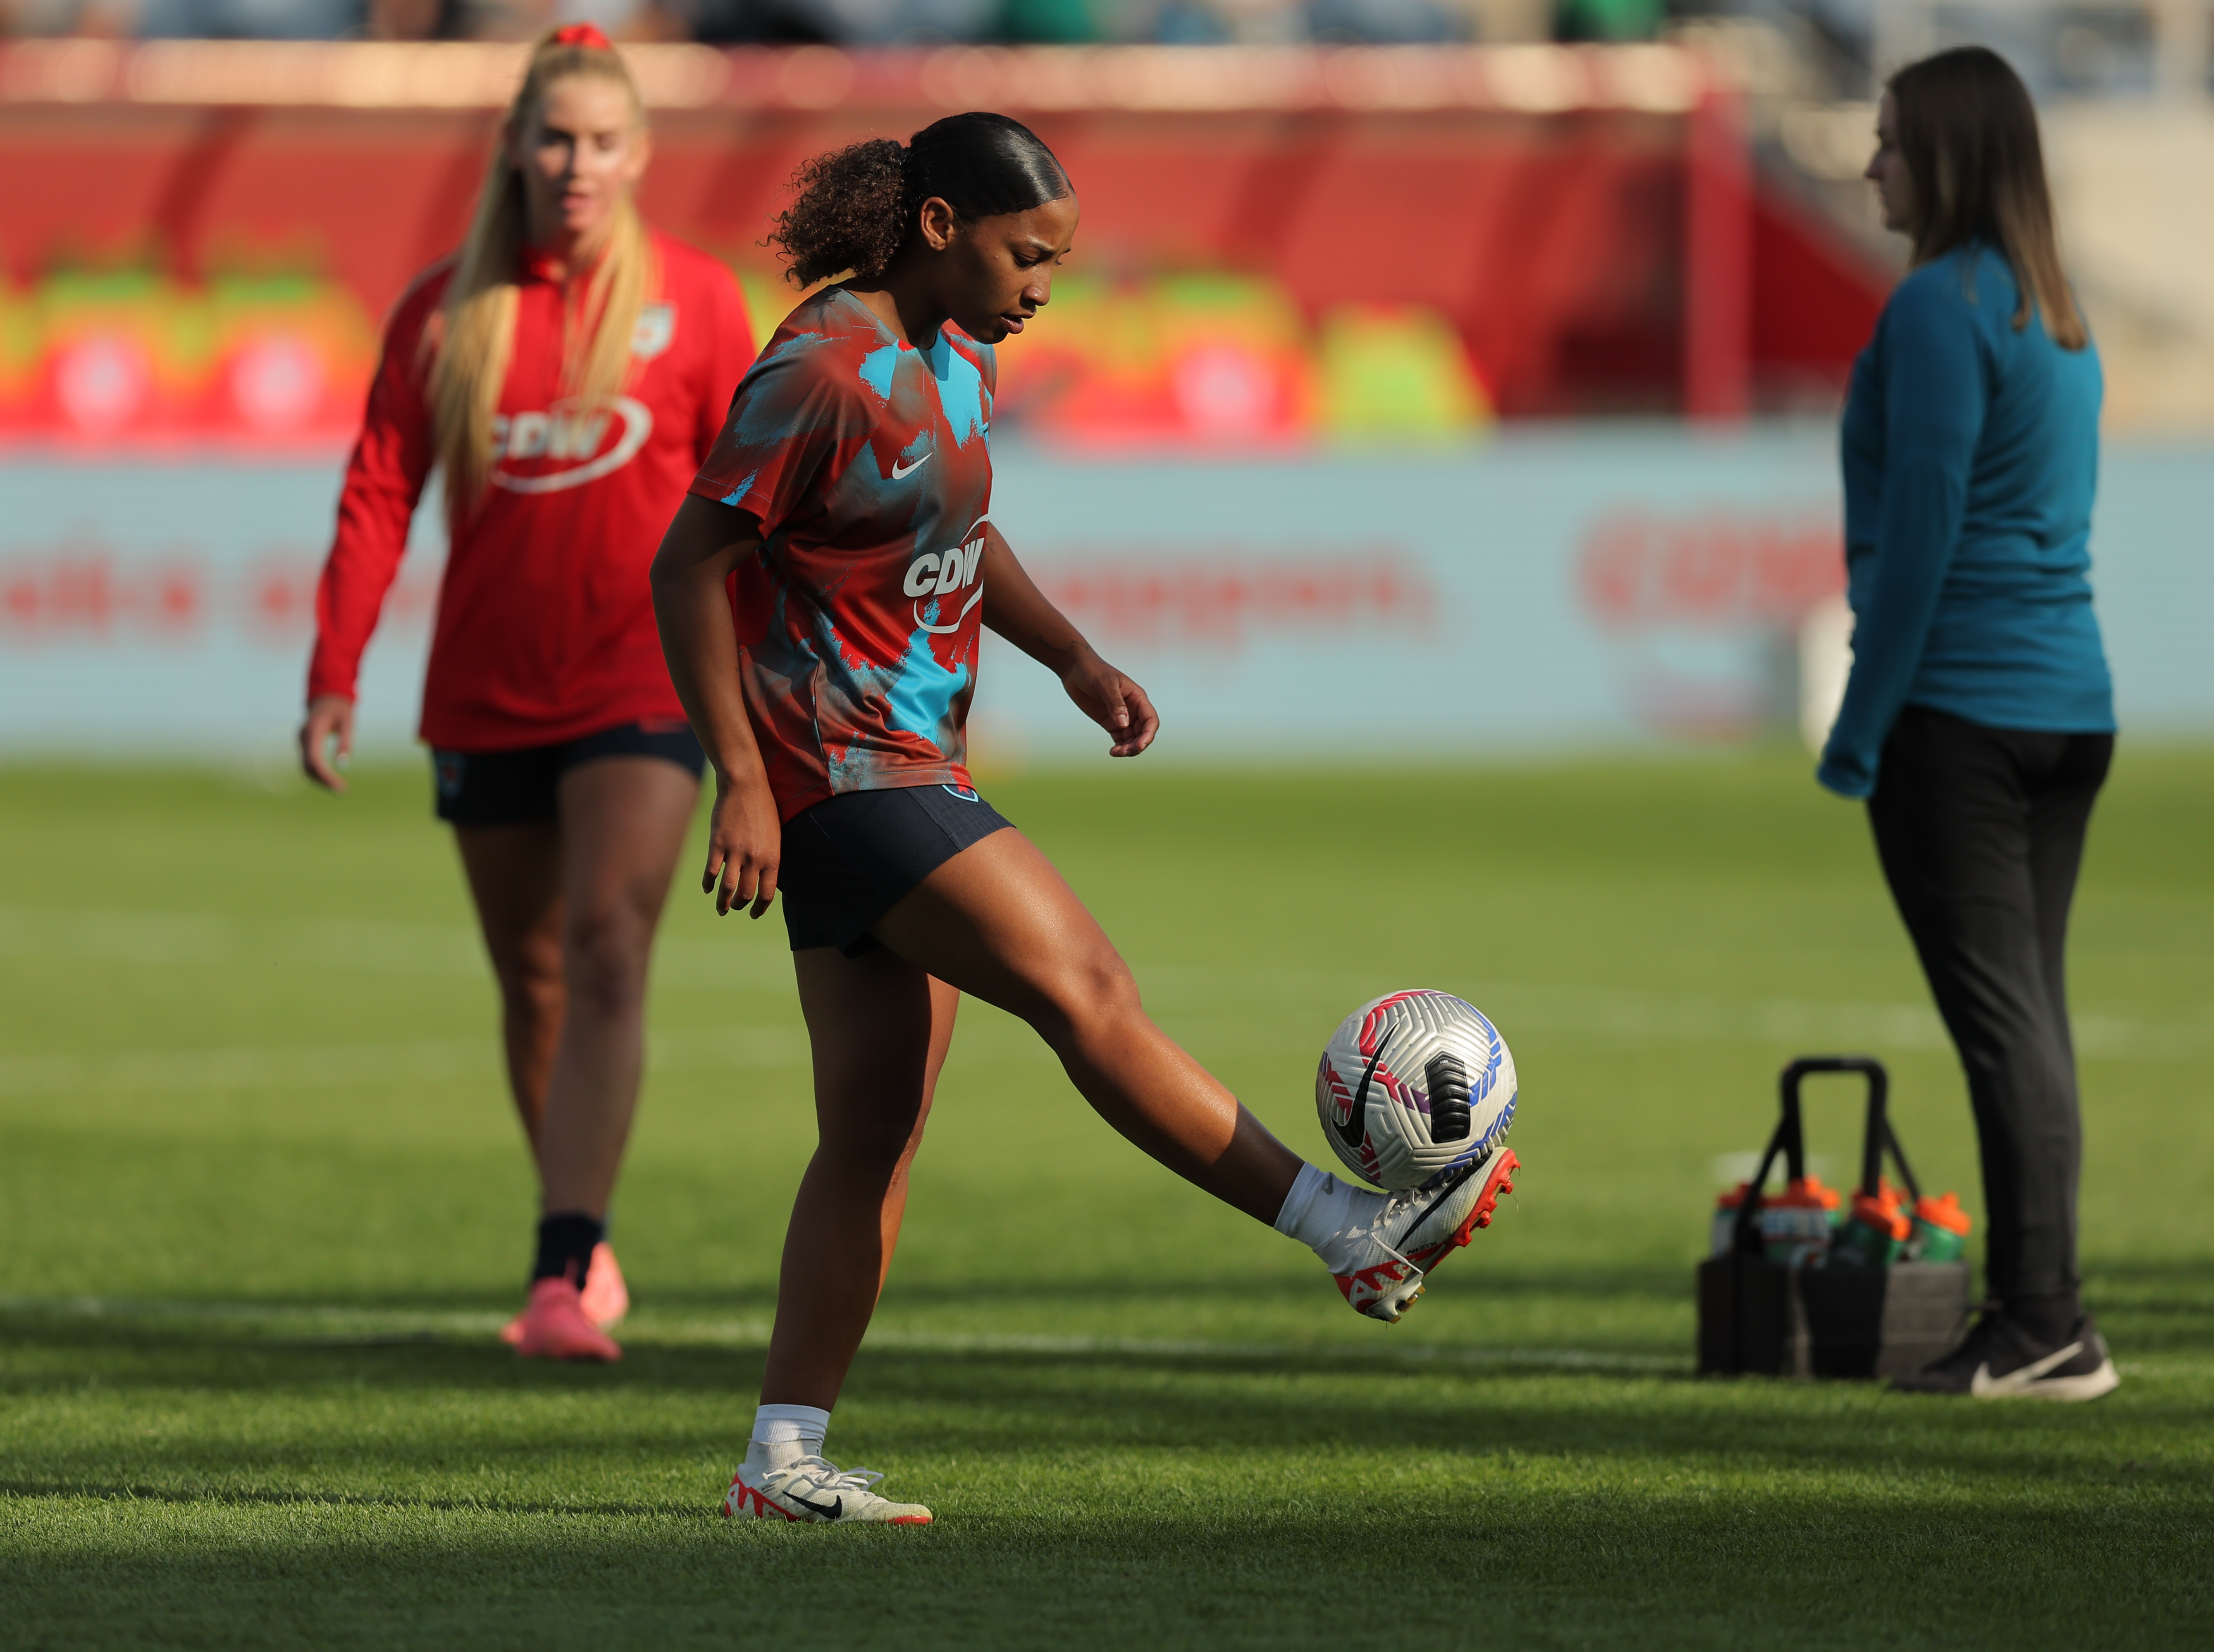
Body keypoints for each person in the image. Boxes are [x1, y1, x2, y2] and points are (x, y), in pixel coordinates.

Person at [650, 112, 1522, 1526]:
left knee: (873, 1126)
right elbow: (690, 562)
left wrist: (1072, 658)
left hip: (910, 762)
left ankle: (781, 1457)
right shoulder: (818, 367)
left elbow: (957, 536)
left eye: (1057, 257)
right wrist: (740, 777)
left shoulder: (961, 360)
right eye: (1026, 252)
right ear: (939, 227)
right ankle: (1344, 1226)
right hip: (845, 773)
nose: (1045, 282)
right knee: (1086, 987)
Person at [299, 24, 756, 1362]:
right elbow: (378, 493)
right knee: (536, 979)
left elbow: (759, 498)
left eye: (603, 141)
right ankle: (586, 1231)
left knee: (611, 945)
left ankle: (558, 1268)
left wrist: (782, 682)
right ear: (514, 148)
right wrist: (336, 672)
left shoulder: (698, 301)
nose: (576, 164)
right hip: (485, 695)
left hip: (646, 684)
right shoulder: (445, 311)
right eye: (554, 138)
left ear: (639, 156)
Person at [1823, 46, 2117, 1401]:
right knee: (2030, 1016)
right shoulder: (2055, 310)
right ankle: (2048, 1312)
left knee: (2003, 1023)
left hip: (1960, 710)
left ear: (1939, 155)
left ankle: (2041, 1318)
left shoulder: (1938, 308)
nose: (1869, 163)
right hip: (2067, 702)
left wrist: (1859, 726)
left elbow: (1926, 525)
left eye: (1887, 141)